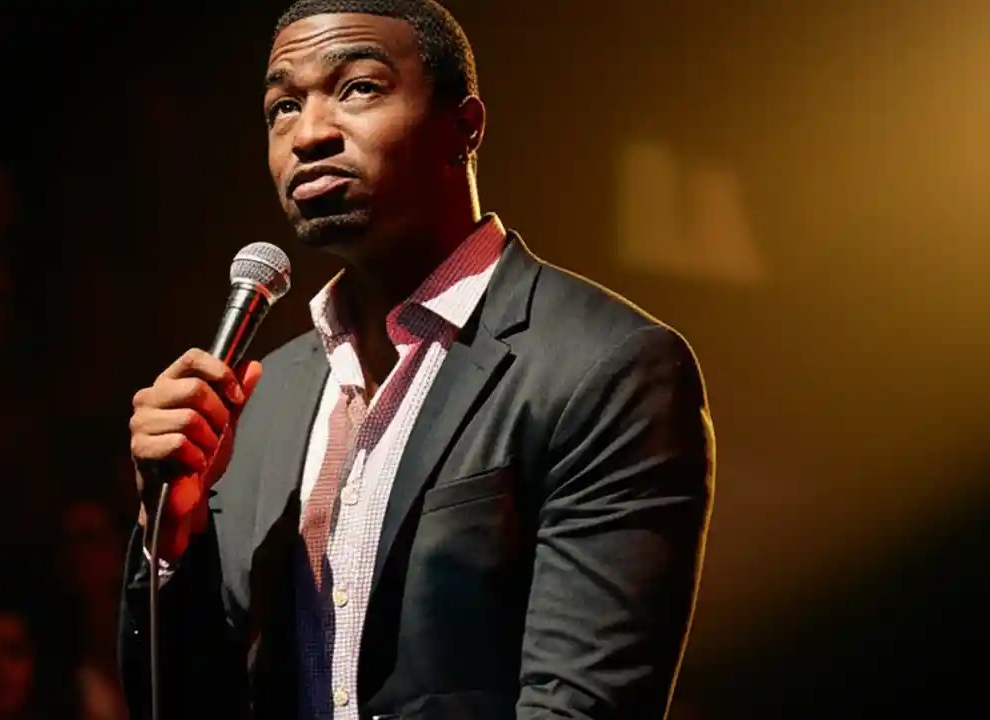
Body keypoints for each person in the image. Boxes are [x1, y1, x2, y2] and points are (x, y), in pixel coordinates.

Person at [120, 1, 715, 718]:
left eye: (359, 88)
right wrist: (171, 542)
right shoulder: (262, 396)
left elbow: (582, 705)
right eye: (283, 106)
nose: (309, 133)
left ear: (463, 128)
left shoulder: (605, 367)